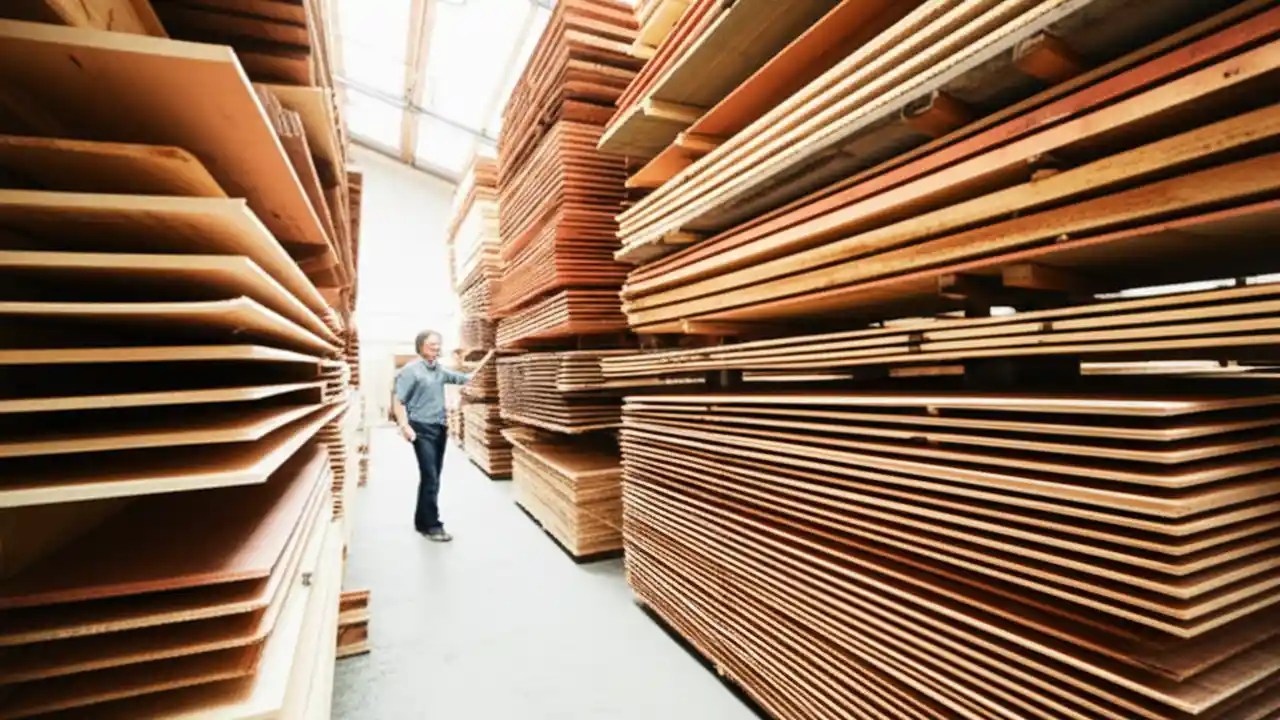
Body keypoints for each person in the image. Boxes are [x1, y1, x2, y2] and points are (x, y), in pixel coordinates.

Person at [393, 330, 495, 542]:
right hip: (421, 429)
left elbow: (465, 379)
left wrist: (488, 359)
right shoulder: (411, 371)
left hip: (440, 428)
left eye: (438, 344)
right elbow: (398, 399)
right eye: (432, 344)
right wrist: (404, 426)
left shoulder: (438, 370)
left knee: (433, 477)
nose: (436, 348)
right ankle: (432, 525)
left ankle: (421, 520)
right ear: (420, 346)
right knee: (430, 476)